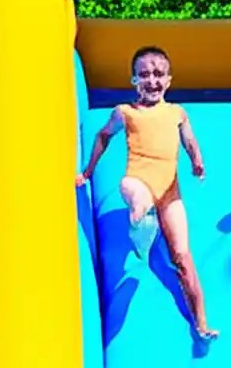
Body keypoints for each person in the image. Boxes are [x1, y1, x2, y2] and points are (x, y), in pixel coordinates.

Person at [75, 45, 217, 340]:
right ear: (134, 81)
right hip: (136, 180)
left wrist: (197, 161)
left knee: (182, 256)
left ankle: (202, 322)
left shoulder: (177, 112)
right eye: (144, 75)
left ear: (169, 80)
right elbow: (103, 135)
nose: (152, 81)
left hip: (169, 192)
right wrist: (87, 171)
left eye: (158, 74)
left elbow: (189, 141)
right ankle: (141, 230)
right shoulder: (125, 113)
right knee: (138, 198)